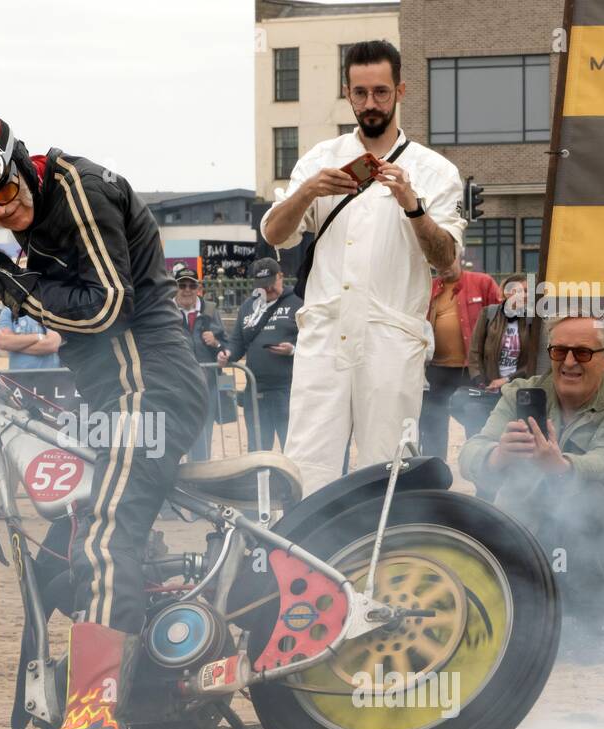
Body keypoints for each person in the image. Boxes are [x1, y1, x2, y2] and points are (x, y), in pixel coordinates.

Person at [0, 106, 207, 729]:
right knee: (70, 536)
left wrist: (4, 281)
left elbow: (106, 306)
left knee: (105, 533)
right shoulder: (42, 221)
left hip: (149, 386)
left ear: (15, 153)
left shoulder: (76, 189)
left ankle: (97, 717)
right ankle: (146, 694)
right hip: (117, 393)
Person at [260, 39, 466, 493]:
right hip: (325, 334)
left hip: (391, 336)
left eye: (381, 92)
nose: (370, 103)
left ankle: (384, 557)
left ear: (400, 91)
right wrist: (307, 192)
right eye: (360, 93)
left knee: (388, 467)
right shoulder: (319, 160)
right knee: (307, 462)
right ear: (347, 92)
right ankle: (306, 560)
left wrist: (413, 205)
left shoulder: (435, 171)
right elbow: (275, 233)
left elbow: (447, 262)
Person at [459, 315, 604, 663]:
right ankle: (514, 620)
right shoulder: (520, 393)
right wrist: (497, 456)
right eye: (559, 351)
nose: (569, 363)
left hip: (590, 541)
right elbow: (470, 453)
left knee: (590, 497)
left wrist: (562, 468)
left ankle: (590, 626)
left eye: (582, 353)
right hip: (523, 529)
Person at [419, 260, 501, 460]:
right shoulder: (427, 288)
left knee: (476, 420)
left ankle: (480, 469)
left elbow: (501, 318)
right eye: (438, 260)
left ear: (458, 255)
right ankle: (434, 472)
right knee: (432, 422)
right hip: (435, 369)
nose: (444, 264)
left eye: (448, 257)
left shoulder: (482, 282)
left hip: (471, 369)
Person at [218, 258, 301, 451]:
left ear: (281, 276)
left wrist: (293, 349)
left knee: (290, 448)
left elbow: (314, 340)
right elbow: (237, 341)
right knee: (258, 449)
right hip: (255, 392)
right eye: (263, 286)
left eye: (272, 283)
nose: (269, 289)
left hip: (287, 391)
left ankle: (287, 482)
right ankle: (259, 482)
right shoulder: (248, 306)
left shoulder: (298, 301)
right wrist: (227, 354)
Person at [453, 273, 539, 440]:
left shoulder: (533, 320)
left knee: (515, 436)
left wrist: (507, 380)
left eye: (530, 291)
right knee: (479, 429)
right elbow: (475, 351)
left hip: (518, 390)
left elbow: (534, 361)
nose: (527, 295)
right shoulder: (489, 314)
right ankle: (477, 461)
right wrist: (481, 382)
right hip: (488, 389)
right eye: (522, 290)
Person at [174, 265, 227, 461]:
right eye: (182, 285)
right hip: (175, 387)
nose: (187, 289)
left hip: (206, 387)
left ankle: (200, 482)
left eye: (191, 285)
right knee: (176, 435)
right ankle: (176, 482)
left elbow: (227, 345)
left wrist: (217, 344)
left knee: (203, 436)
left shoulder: (211, 310)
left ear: (199, 287)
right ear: (176, 287)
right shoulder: (165, 311)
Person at [0, 304, 61, 370]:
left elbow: (52, 345)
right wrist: (39, 337)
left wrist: (15, 345)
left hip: (49, 375)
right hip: (18, 376)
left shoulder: (50, 310)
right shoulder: (8, 311)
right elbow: (3, 343)